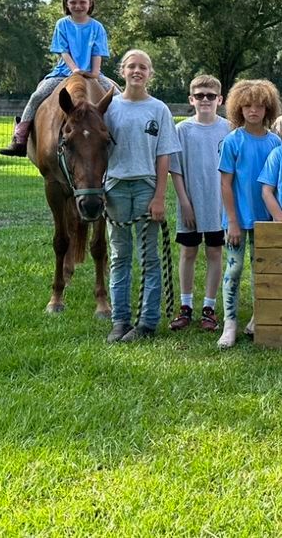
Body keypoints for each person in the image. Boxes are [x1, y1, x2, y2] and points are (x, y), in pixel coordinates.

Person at [104, 49, 181, 343]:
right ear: (122, 71)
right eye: (132, 66)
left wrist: (159, 196)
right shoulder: (110, 108)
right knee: (119, 255)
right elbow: (99, 151)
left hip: (146, 186)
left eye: (143, 67)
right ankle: (120, 320)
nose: (137, 71)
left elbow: (164, 156)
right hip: (116, 187)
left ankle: (147, 322)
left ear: (150, 73)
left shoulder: (159, 110)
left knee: (149, 257)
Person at [0, 0, 113, 156]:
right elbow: (63, 51)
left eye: (82, 2)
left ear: (90, 2)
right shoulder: (62, 24)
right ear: (66, 3)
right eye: (73, 2)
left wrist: (95, 72)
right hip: (64, 72)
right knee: (37, 96)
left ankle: (127, 139)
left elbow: (98, 51)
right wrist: (74, 70)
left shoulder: (97, 27)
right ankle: (20, 138)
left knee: (118, 98)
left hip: (91, 73)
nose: (78, 6)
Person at [217, 78, 282, 349]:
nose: (253, 111)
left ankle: (258, 319)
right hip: (236, 219)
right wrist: (232, 220)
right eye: (247, 106)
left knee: (261, 272)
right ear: (238, 109)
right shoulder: (233, 141)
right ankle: (229, 323)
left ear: (268, 109)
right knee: (233, 270)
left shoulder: (276, 143)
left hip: (265, 220)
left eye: (259, 106)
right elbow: (225, 183)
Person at [168, 75, 231, 334]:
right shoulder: (182, 130)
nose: (205, 100)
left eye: (211, 95)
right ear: (191, 100)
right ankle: (185, 306)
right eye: (200, 95)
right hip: (190, 202)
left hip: (218, 204)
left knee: (215, 253)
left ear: (220, 99)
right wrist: (184, 202)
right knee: (188, 253)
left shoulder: (228, 129)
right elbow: (176, 170)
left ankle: (209, 307)